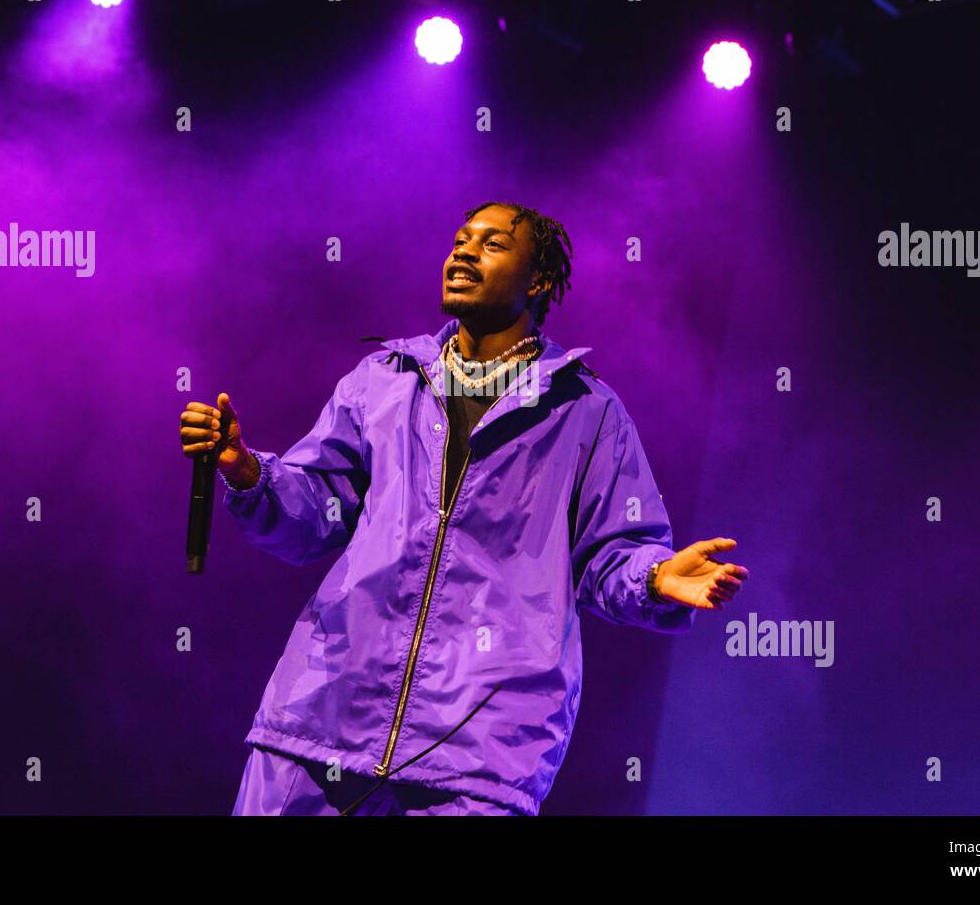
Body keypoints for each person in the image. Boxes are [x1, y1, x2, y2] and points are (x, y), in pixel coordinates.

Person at [178, 201, 750, 815]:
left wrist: (655, 577)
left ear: (537, 280)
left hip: (478, 757)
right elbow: (316, 516)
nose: (464, 252)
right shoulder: (383, 381)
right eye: (459, 240)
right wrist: (248, 470)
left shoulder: (585, 410)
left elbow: (613, 552)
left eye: (492, 243)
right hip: (321, 720)